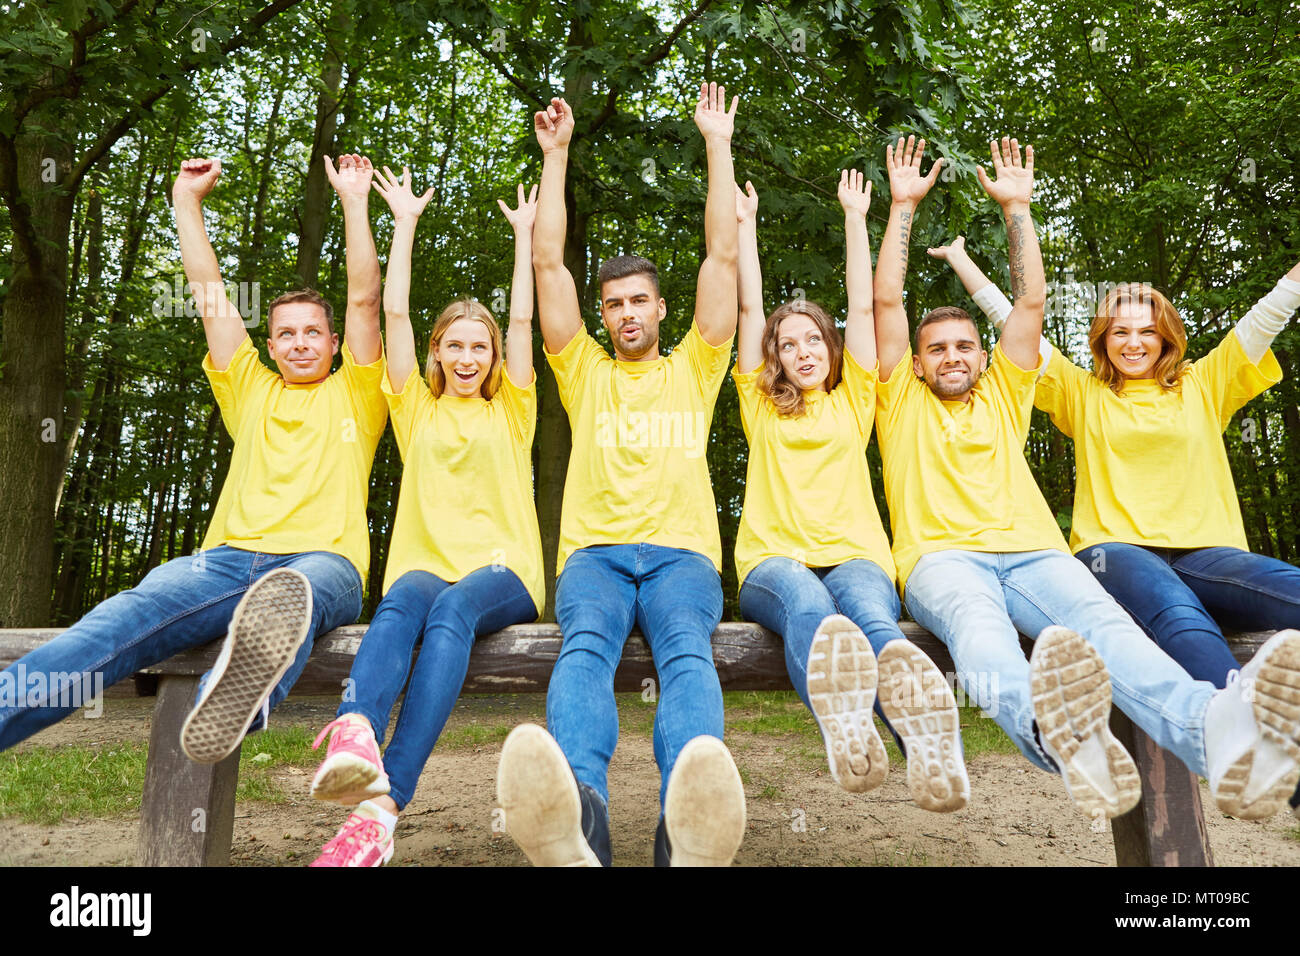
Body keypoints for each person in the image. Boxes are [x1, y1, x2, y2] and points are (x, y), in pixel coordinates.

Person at [873, 134, 1300, 823]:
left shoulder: (1009, 390)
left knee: (1111, 631)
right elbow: (885, 307)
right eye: (937, 350)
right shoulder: (897, 399)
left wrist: (1019, 210)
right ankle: (1061, 733)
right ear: (917, 364)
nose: (952, 357)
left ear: (984, 358)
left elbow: (1030, 305)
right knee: (979, 635)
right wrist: (900, 210)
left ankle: (1217, 735)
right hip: (943, 559)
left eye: (964, 347)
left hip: (1038, 552)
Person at [0, 154, 387, 764]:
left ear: (335, 343)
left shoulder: (359, 393)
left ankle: (231, 699)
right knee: (119, 620)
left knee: (295, 594)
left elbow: (366, 299)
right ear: (270, 344)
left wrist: (354, 200)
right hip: (226, 562)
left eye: (313, 332)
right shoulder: (250, 389)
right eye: (285, 333)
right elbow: (209, 295)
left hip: (323, 563)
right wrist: (186, 200)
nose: (300, 343)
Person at [496, 83, 745, 867]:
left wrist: (716, 143)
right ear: (602, 315)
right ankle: (580, 819)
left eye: (639, 300)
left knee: (685, 657)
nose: (626, 313)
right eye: (614, 304)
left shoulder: (698, 365)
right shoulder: (583, 372)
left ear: (663, 308)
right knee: (585, 651)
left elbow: (723, 255)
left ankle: (690, 825)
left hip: (682, 555)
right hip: (595, 555)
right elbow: (546, 262)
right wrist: (556, 155)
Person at [307, 167, 545, 867]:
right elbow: (397, 315)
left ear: (495, 355)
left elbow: (526, 318)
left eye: (481, 346)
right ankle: (355, 730)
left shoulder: (514, 408)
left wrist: (524, 236)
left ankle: (385, 804)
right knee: (400, 602)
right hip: (425, 565)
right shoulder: (414, 407)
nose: (468, 356)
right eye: (456, 344)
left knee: (449, 614)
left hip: (505, 573)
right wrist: (403, 222)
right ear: (437, 353)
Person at [731, 170, 967, 812]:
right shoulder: (761, 403)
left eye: (814, 339)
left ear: (831, 349)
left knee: (872, 621)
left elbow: (865, 307)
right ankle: (846, 725)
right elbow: (750, 309)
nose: (802, 350)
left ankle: (925, 747)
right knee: (813, 607)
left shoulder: (856, 396)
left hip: (858, 553)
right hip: (772, 561)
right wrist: (746, 230)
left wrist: (856, 218)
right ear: (773, 356)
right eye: (789, 343)